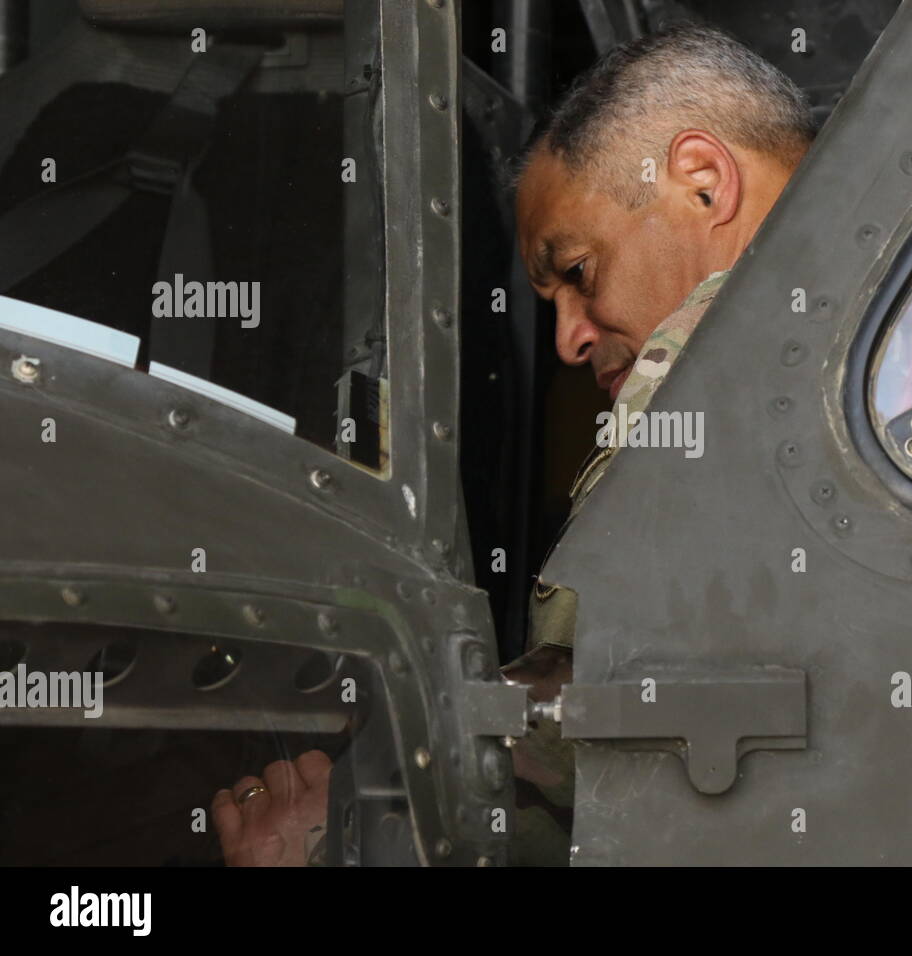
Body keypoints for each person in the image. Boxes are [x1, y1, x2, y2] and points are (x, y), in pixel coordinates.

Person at [213, 21, 814, 866]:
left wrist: (335, 843)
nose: (569, 341)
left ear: (704, 183)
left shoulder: (720, 372)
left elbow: (576, 749)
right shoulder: (906, 325)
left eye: (576, 272)